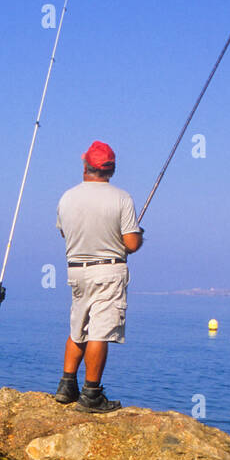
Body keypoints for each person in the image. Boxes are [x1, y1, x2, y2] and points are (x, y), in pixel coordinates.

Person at [53, 140, 144, 412]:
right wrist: (138, 232)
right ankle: (91, 393)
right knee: (100, 332)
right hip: (108, 270)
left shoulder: (67, 197)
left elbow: (63, 232)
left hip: (76, 271)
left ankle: (66, 385)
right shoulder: (121, 198)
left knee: (77, 328)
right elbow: (131, 244)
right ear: (111, 169)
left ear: (85, 166)